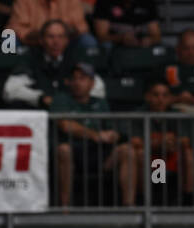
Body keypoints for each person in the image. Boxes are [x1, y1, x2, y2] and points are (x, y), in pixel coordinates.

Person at [51, 63, 136, 207]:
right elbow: (65, 125)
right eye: (74, 78)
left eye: (82, 78)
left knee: (127, 151)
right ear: (69, 82)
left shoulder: (100, 103)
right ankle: (64, 207)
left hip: (99, 154)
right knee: (63, 150)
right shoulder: (61, 99)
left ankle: (129, 206)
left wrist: (112, 135)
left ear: (92, 83)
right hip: (74, 153)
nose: (78, 82)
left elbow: (110, 129)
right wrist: (94, 135)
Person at [6, 0, 93, 47]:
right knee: (8, 39)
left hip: (65, 41)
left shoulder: (72, 1)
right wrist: (42, 35)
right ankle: (10, 75)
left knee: (87, 40)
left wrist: (62, 34)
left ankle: (85, 76)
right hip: (34, 40)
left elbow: (82, 27)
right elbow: (14, 27)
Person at [166, 30, 194, 106]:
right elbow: (155, 96)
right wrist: (178, 98)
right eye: (186, 48)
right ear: (177, 49)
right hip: (173, 112)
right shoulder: (167, 69)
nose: (191, 53)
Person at [92, 2, 160, 48]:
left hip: (140, 44)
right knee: (106, 45)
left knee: (160, 49)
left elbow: (156, 36)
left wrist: (149, 40)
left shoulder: (147, 3)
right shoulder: (104, 2)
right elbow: (101, 37)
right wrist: (121, 38)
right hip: (114, 46)